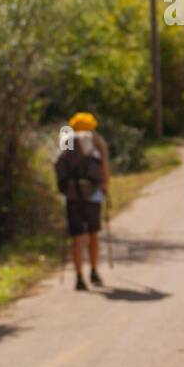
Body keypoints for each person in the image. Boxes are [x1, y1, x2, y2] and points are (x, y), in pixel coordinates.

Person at [54, 112, 111, 291]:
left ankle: (79, 277)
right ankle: (93, 270)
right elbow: (104, 168)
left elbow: (57, 164)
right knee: (93, 233)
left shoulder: (67, 139)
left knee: (77, 237)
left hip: (72, 194)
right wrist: (105, 188)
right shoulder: (96, 140)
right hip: (92, 194)